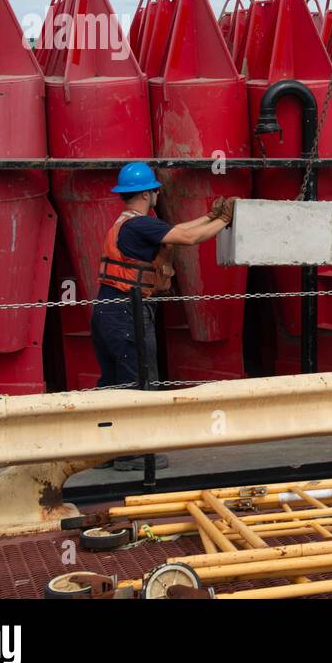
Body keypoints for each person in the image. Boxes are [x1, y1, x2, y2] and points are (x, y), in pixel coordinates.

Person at [91, 162, 238, 470]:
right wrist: (224, 221)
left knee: (113, 383)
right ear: (148, 193)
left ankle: (105, 450)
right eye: (156, 190)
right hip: (127, 309)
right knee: (140, 381)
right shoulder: (140, 225)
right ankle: (136, 455)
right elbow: (186, 237)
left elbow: (178, 229)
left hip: (108, 307)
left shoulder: (126, 223)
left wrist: (209, 216)